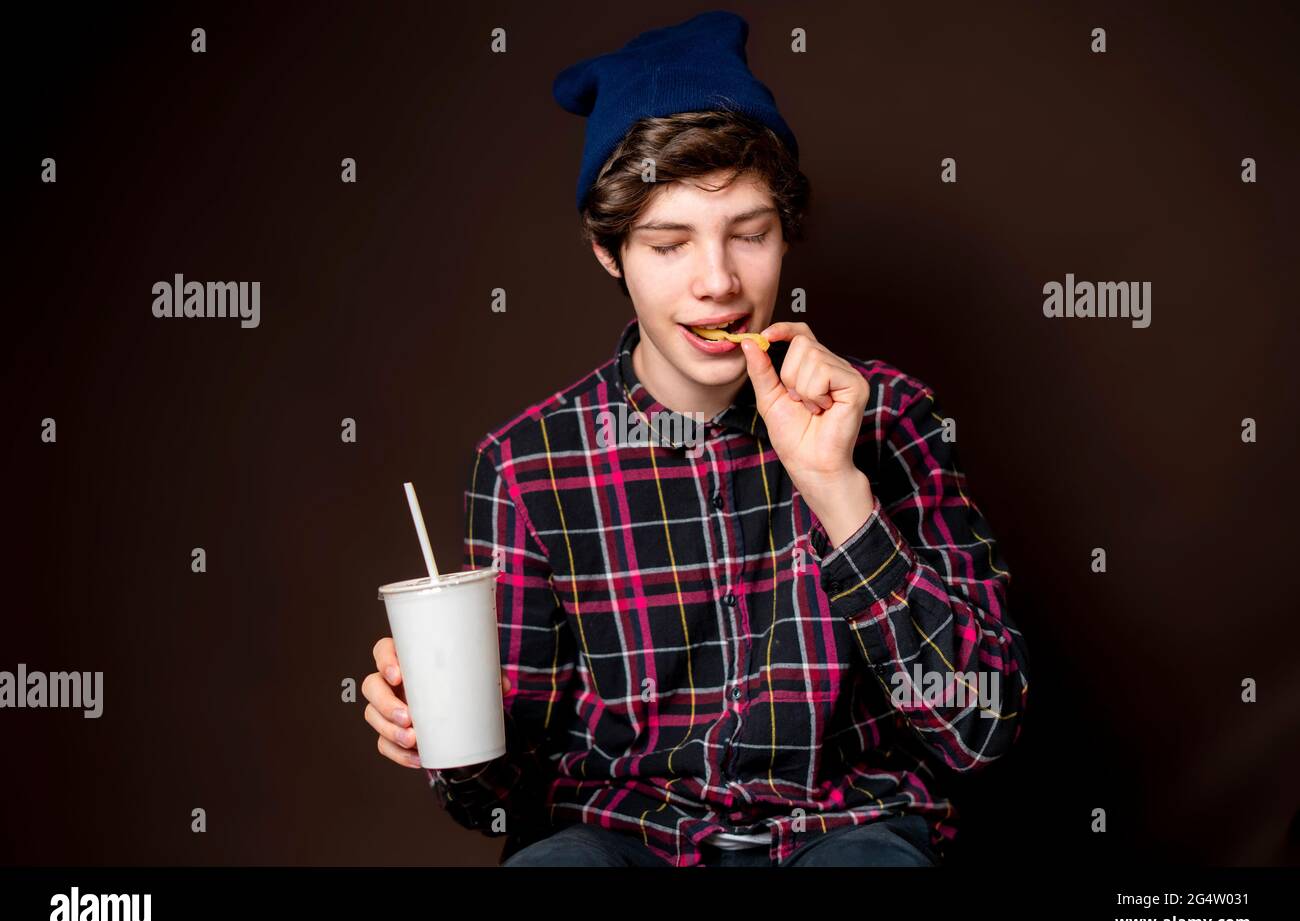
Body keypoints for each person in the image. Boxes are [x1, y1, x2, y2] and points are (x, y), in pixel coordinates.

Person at [363, 10, 1029, 867]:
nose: (718, 282)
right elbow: (495, 801)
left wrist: (842, 496)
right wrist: (446, 727)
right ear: (611, 253)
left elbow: (986, 729)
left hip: (845, 835)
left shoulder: (895, 416)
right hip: (619, 840)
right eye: (669, 244)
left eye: (749, 234)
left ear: (785, 231)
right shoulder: (528, 466)